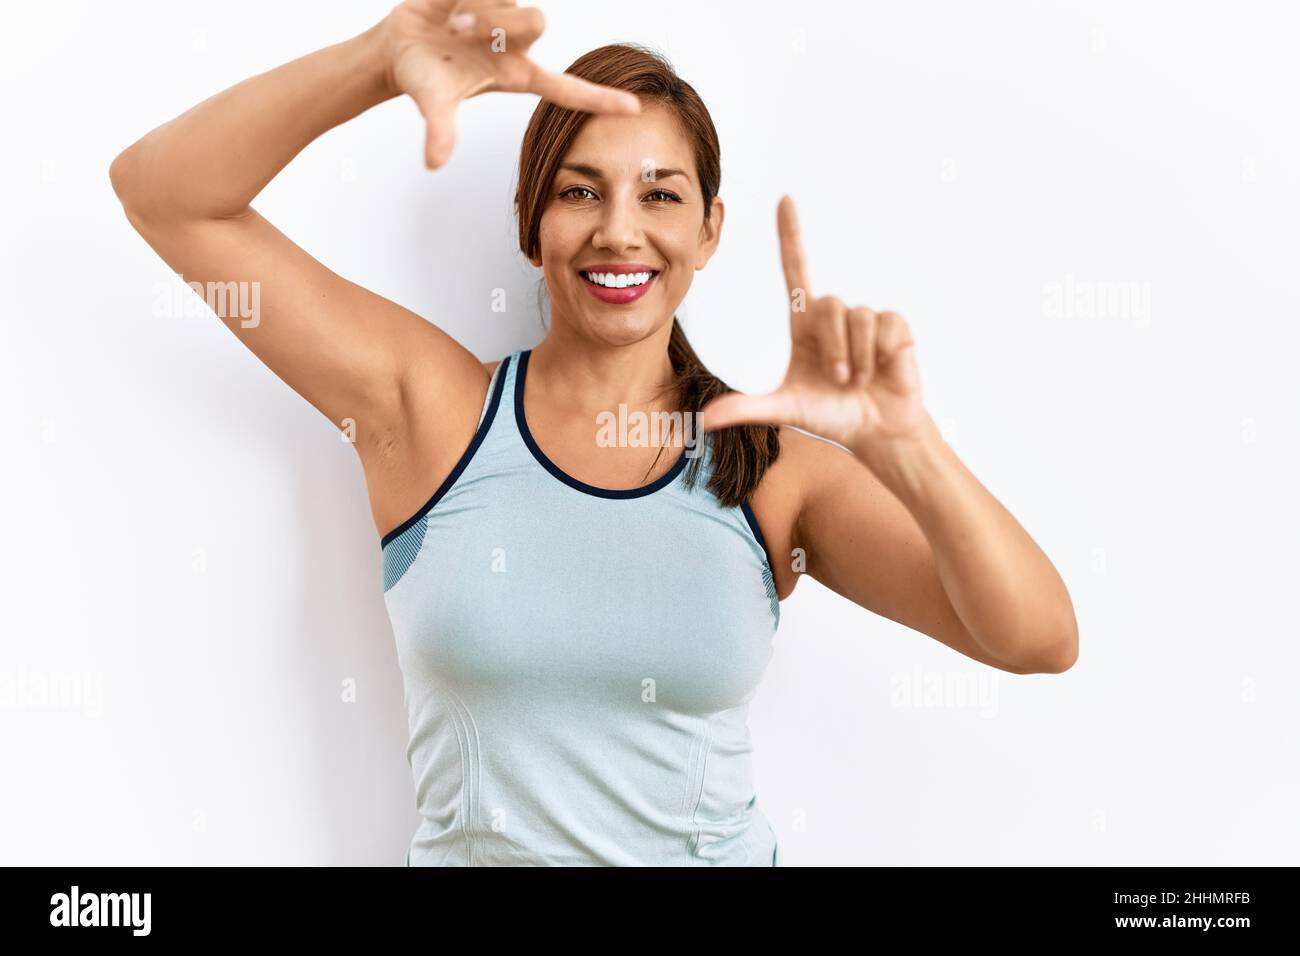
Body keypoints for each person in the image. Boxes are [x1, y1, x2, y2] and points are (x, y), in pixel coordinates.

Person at [109, 0, 1079, 866]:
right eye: (580, 191)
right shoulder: (431, 413)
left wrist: (910, 449)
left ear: (708, 231)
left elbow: (1037, 637)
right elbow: (164, 193)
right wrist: (379, 55)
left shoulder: (770, 469)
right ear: (531, 222)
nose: (620, 230)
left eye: (660, 194)